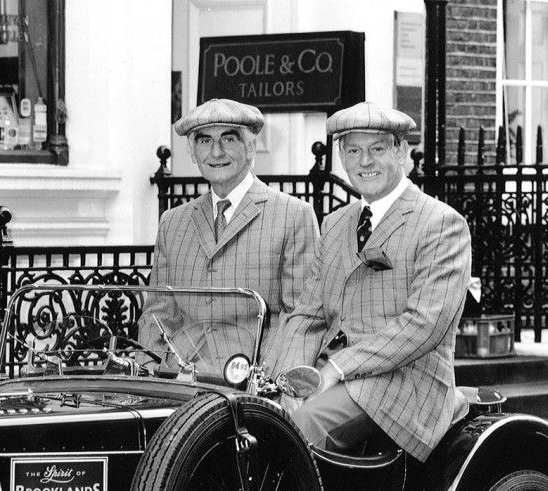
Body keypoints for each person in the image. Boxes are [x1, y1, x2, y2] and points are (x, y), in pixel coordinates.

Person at [267, 101, 472, 461]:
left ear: (401, 151)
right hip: (330, 377)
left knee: (302, 428)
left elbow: (424, 325)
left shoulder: (440, 223)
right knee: (260, 419)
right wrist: (288, 379)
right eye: (353, 151)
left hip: (403, 383)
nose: (364, 162)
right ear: (342, 157)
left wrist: (337, 368)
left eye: (377, 149)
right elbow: (307, 314)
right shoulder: (334, 224)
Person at [139, 98, 318, 376]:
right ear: (193, 152)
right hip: (180, 378)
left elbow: (298, 316)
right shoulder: (172, 222)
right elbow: (158, 314)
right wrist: (149, 369)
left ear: (250, 147)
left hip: (253, 379)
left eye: (229, 139)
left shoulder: (293, 215)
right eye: (204, 141)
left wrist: (262, 377)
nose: (217, 152)